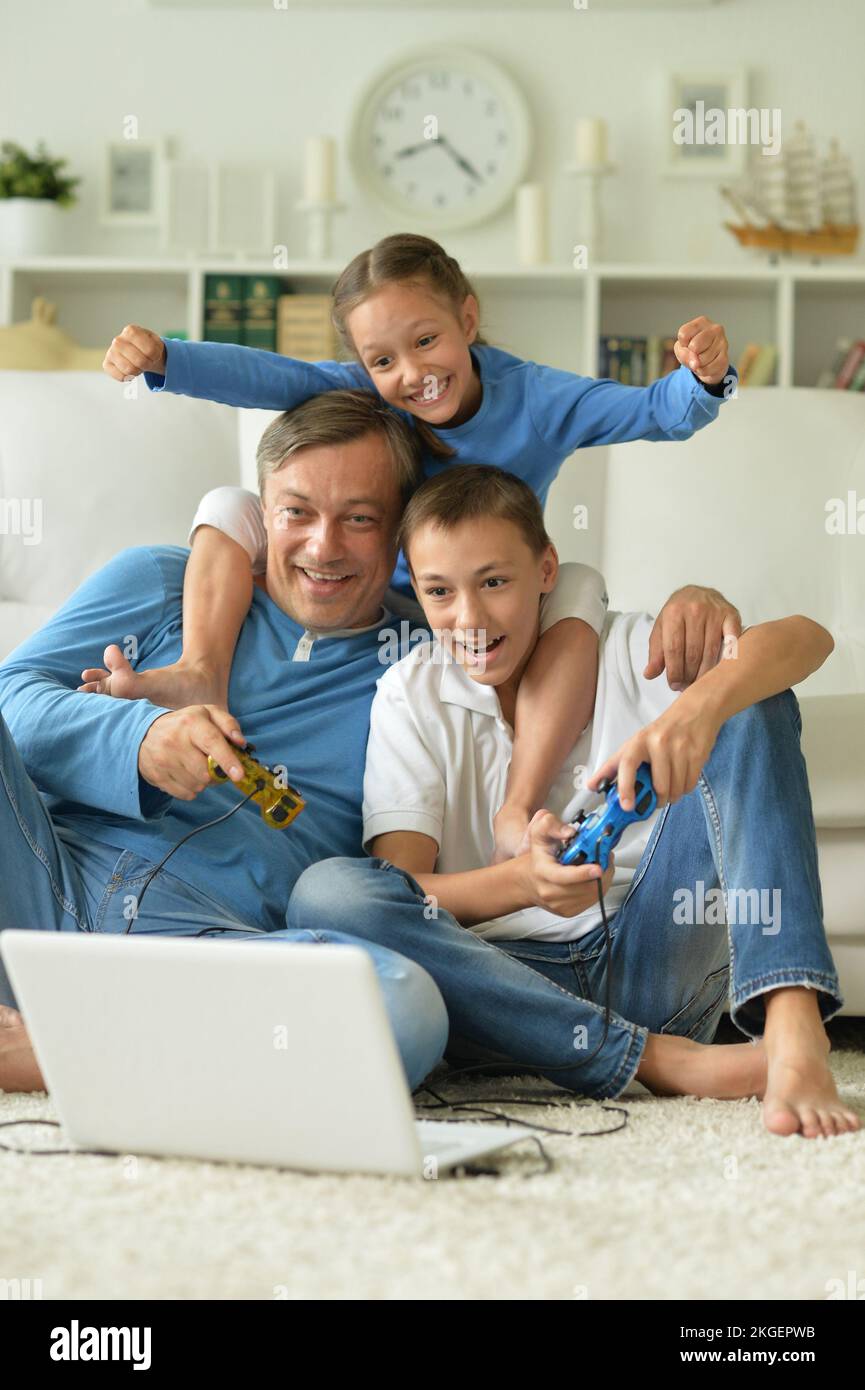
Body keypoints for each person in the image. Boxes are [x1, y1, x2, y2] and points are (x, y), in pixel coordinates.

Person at [0, 391, 750, 1106]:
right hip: (44, 877)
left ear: (399, 534)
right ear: (264, 516)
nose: (323, 547)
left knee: (405, 1011)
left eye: (358, 519)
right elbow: (13, 699)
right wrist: (135, 741)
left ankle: (61, 1042)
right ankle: (107, 1038)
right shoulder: (164, 583)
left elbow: (568, 597)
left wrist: (692, 598)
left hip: (222, 954)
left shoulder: (428, 661)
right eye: (296, 512)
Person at [100, 232, 740, 862]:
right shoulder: (367, 394)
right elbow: (271, 376)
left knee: (574, 579)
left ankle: (515, 808)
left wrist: (705, 380)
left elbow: (655, 410)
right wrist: (167, 360)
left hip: (456, 615)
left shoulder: (540, 399)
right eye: (382, 361)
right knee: (227, 505)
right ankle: (200, 672)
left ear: (467, 317)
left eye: (426, 341)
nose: (412, 375)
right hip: (371, 594)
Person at [285, 464, 858, 1140]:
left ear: (547, 569)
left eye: (494, 582)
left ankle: (792, 1032)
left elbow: (806, 638)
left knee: (751, 699)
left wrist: (696, 711)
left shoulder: (627, 648)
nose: (468, 618)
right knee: (326, 894)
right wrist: (519, 882)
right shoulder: (410, 694)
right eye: (440, 592)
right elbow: (400, 887)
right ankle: (662, 1062)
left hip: (654, 953)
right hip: (509, 991)